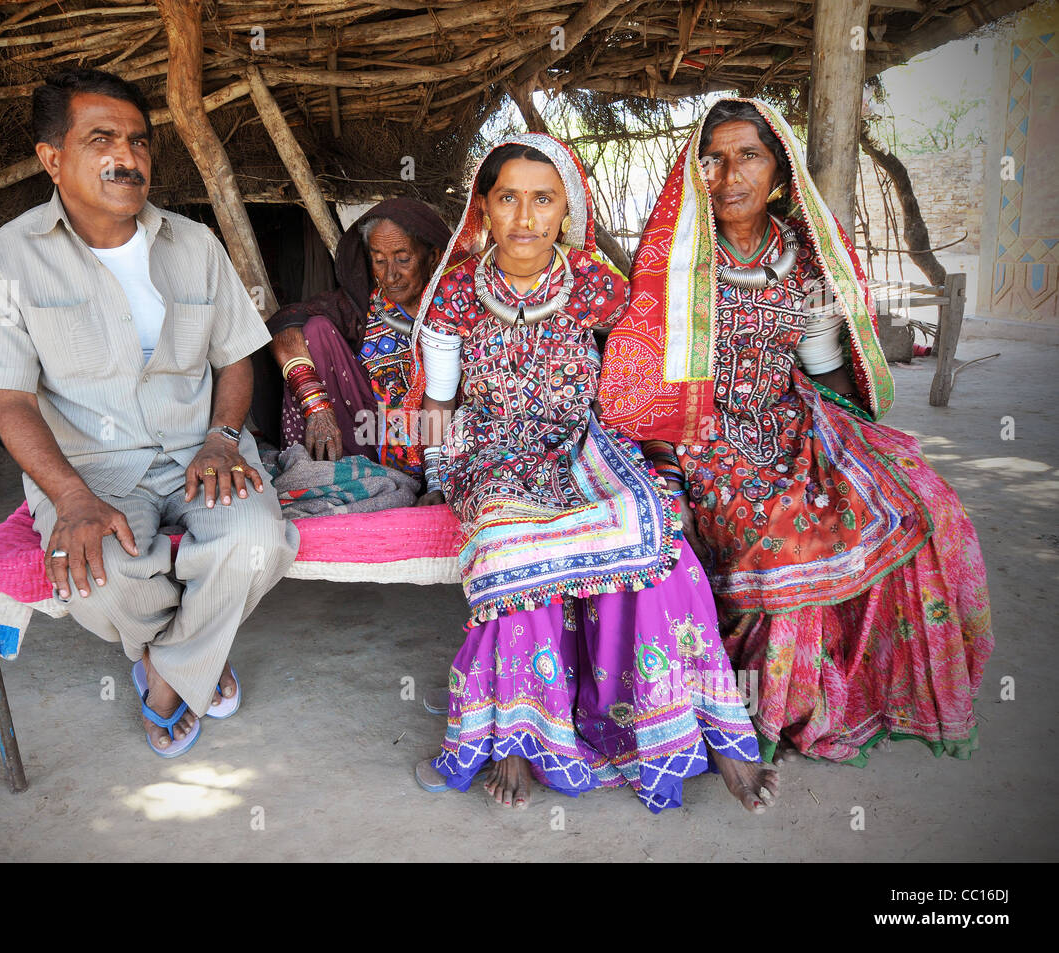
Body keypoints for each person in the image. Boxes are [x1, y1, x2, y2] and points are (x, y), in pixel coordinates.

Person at [599, 98, 993, 765]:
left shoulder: (800, 260)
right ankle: (768, 706)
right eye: (712, 158)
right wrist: (661, 466)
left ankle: (871, 686)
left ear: (778, 169)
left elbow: (822, 364)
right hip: (700, 438)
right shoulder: (672, 259)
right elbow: (642, 387)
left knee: (924, 503)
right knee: (788, 534)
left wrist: (866, 443)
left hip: (790, 418)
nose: (728, 176)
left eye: (748, 155)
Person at [408, 133, 778, 813]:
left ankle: (709, 727)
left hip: (583, 445)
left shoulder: (598, 286)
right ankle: (519, 737)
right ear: (483, 208)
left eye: (542, 199)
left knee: (656, 528)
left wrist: (658, 465)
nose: (525, 217)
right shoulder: (455, 293)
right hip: (490, 452)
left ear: (564, 208)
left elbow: (640, 381)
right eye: (508, 199)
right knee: (510, 548)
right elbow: (438, 401)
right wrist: (438, 474)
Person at [0, 68, 298, 758]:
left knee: (257, 540)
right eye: (102, 138)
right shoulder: (3, 260)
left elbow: (236, 357)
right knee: (93, 580)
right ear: (52, 158)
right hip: (93, 471)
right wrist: (70, 497)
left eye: (140, 141)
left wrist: (223, 437)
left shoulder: (194, 243)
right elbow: (11, 398)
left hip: (201, 454)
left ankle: (166, 675)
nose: (128, 156)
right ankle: (196, 661)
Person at [264, 199, 450, 480]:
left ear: (433, 257)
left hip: (449, 441)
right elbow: (285, 328)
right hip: (371, 444)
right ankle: (331, 471)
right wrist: (316, 404)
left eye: (403, 258)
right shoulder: (357, 307)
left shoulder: (458, 306)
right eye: (379, 260)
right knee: (316, 331)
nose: (390, 274)